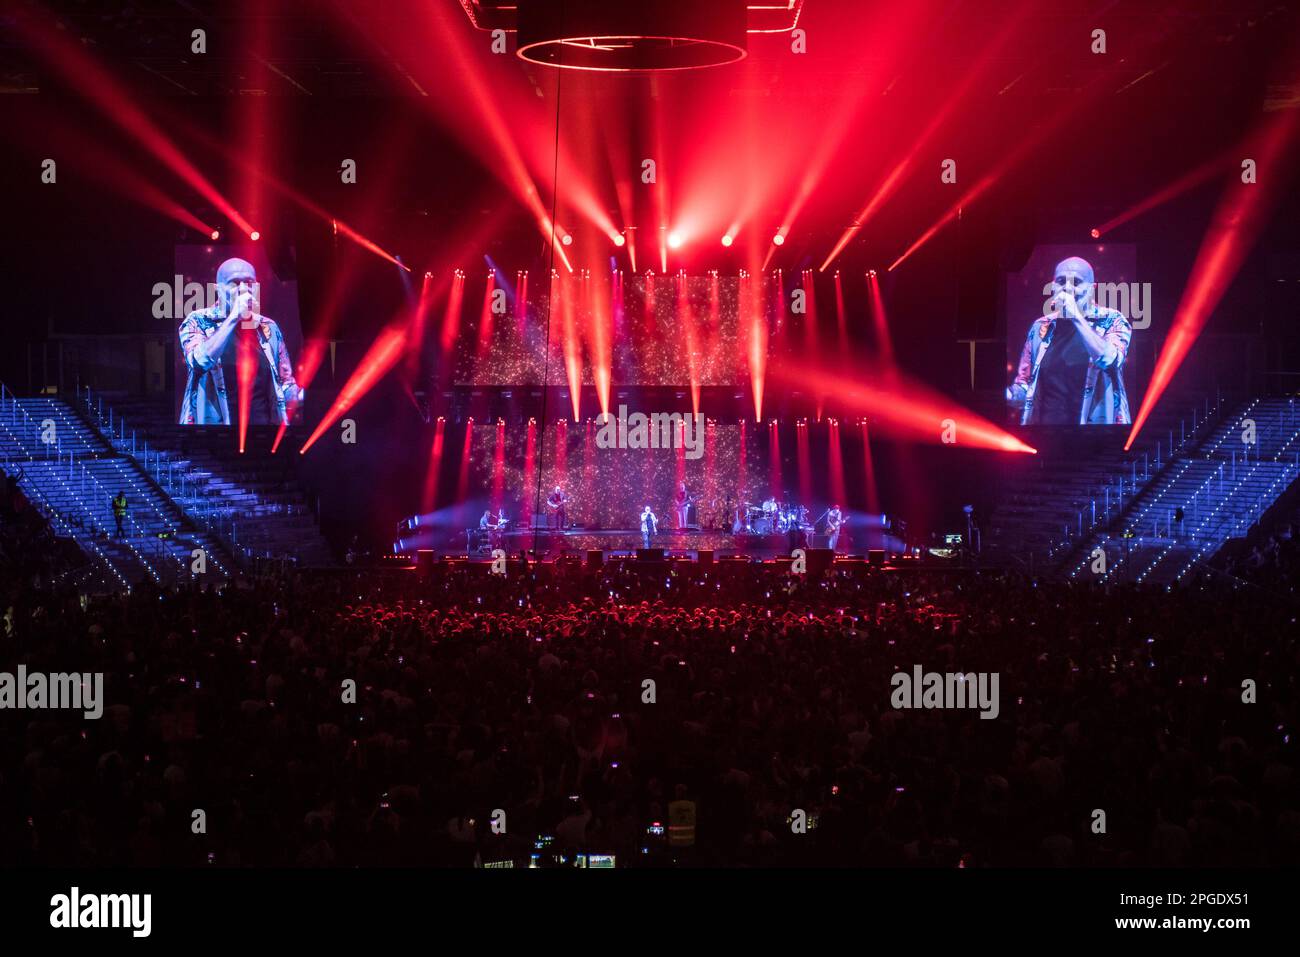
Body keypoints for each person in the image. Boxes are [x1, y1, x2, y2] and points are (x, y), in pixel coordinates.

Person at [1008, 256, 1133, 425]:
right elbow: (1025, 385)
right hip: (1046, 434)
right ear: (1053, 286)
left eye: (1076, 282)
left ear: (1092, 288)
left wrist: (1076, 316)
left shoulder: (1113, 320)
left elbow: (1110, 360)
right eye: (1061, 281)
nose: (1067, 288)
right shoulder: (1040, 327)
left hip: (1097, 434)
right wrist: (1007, 395)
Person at [179, 257, 303, 426]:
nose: (244, 289)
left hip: (264, 432)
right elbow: (199, 362)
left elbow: (285, 384)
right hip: (214, 433)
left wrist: (306, 396)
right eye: (235, 283)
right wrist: (234, 317)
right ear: (218, 289)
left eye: (249, 283)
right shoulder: (198, 321)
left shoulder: (268, 327)